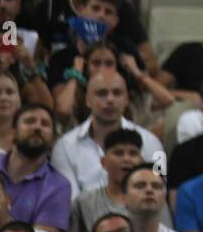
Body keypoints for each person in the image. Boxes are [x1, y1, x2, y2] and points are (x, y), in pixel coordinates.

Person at [49, 70, 164, 199]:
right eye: (102, 93)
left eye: (117, 93)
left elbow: (159, 190)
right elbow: (70, 201)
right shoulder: (64, 146)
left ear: (126, 100)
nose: (110, 99)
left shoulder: (151, 142)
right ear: (87, 100)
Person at [0, 104, 70, 232]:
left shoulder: (58, 186)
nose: (37, 127)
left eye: (45, 124)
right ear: (12, 132)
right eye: (29, 121)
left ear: (53, 139)